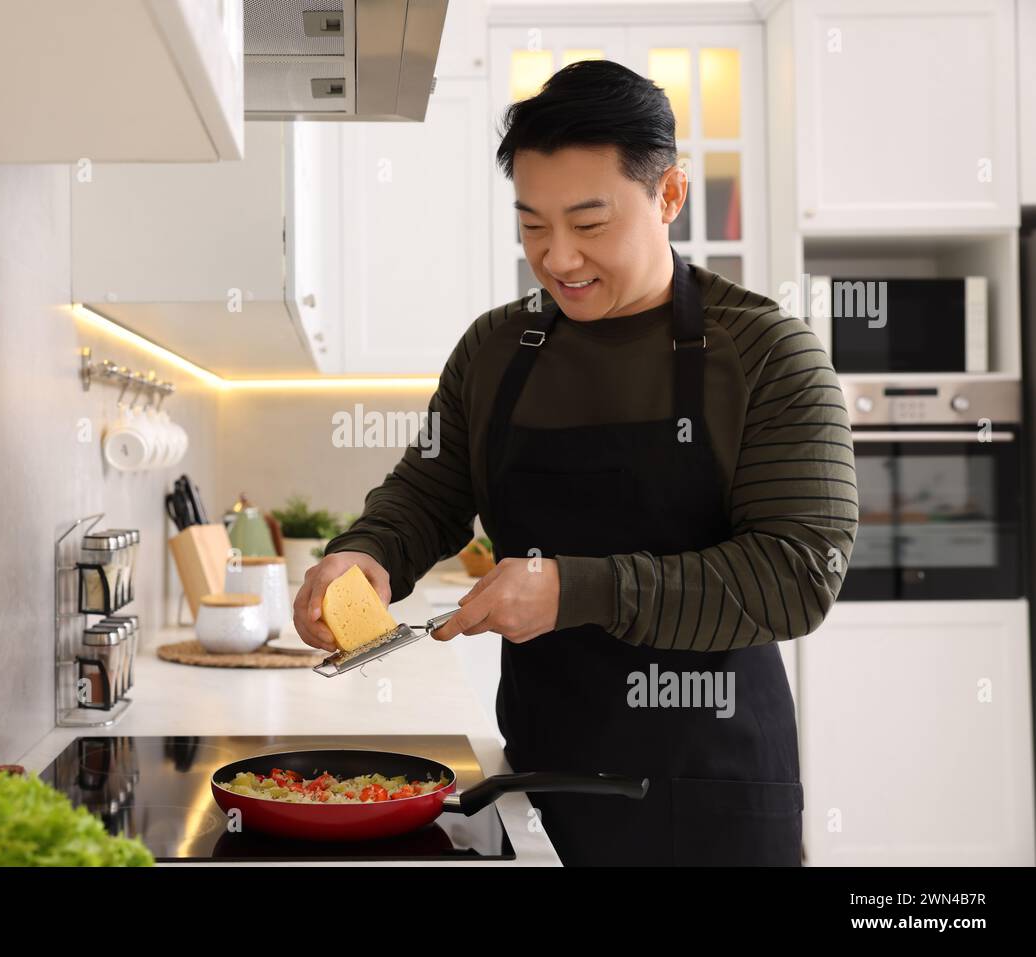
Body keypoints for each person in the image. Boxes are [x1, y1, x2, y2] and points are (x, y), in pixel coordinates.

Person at [292, 59, 858, 865]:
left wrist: (572, 589)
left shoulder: (769, 353)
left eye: (589, 224)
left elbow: (798, 573)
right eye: (532, 225)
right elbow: (427, 491)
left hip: (714, 795)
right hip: (540, 781)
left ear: (668, 196)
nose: (557, 258)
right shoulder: (495, 349)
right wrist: (366, 554)